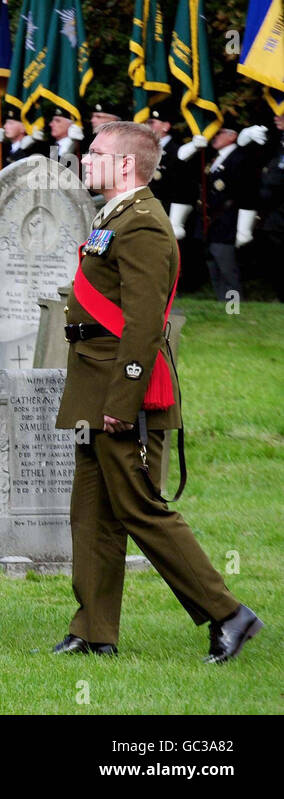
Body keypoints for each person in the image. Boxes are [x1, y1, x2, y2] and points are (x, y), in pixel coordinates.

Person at [53, 121, 261, 663]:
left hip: (121, 389)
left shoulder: (142, 223)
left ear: (125, 165)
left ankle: (229, 613)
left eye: (95, 153)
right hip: (91, 380)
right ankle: (94, 630)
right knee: (91, 513)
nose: (84, 159)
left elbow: (145, 324)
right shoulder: (116, 216)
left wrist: (123, 401)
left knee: (142, 508)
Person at [169, 119, 268, 302]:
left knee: (227, 269)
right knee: (214, 267)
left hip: (226, 222)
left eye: (220, 132)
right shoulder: (214, 158)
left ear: (232, 136)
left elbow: (247, 189)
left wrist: (243, 228)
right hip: (209, 223)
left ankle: (234, 308)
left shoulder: (239, 157)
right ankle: (223, 305)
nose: (214, 136)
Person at [253, 112, 284, 301]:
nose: (275, 118)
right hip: (274, 213)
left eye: (281, 115)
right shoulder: (278, 142)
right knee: (275, 257)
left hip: (280, 209)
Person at [145, 105, 187, 213]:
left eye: (151, 123)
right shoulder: (145, 149)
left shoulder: (177, 150)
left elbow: (177, 186)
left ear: (165, 126)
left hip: (167, 208)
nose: (146, 126)